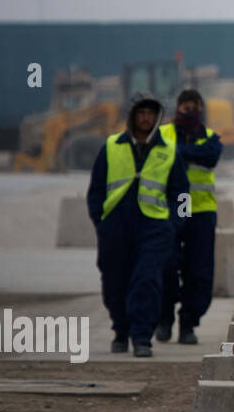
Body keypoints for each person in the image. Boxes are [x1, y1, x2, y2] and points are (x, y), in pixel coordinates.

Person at [86, 93, 188, 357]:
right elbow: (96, 189)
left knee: (147, 280)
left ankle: (142, 337)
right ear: (132, 116)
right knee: (114, 281)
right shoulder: (111, 146)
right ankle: (121, 330)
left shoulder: (168, 151)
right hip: (115, 226)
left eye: (150, 113)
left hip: (154, 227)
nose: (145, 118)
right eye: (141, 113)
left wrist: (176, 224)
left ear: (157, 118)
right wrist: (100, 220)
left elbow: (182, 194)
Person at [156, 89, 224, 345]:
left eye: (195, 105)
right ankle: (164, 319)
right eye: (186, 105)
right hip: (168, 210)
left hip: (201, 212)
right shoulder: (162, 134)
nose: (191, 110)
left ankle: (188, 323)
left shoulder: (210, 138)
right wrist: (190, 152)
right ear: (177, 107)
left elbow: (211, 156)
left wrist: (178, 153)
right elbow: (161, 156)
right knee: (165, 265)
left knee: (200, 272)